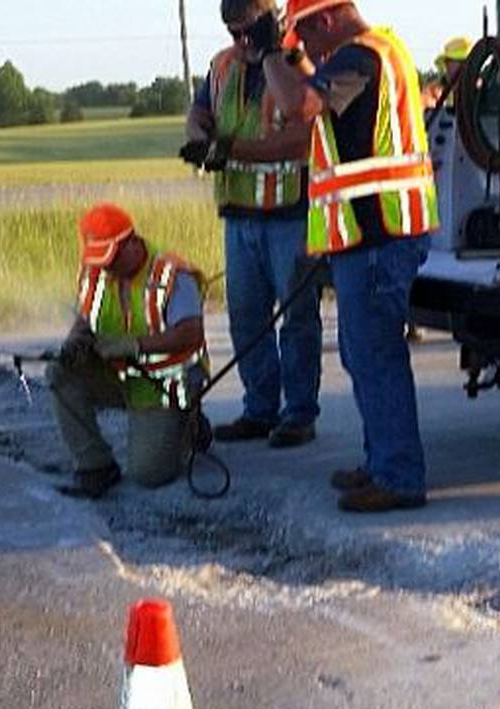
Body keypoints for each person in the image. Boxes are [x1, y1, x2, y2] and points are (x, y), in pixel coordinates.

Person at [263, 0, 438, 513]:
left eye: (306, 42)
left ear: (325, 21)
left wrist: (274, 52)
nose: (308, 55)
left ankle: (399, 476)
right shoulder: (373, 54)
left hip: (381, 237)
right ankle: (382, 461)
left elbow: (299, 108)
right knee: (364, 356)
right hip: (370, 236)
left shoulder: (358, 58)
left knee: (376, 357)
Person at [183, 0, 323, 450]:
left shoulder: (298, 62)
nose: (241, 42)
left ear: (271, 21)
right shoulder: (222, 65)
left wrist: (229, 150)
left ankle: (299, 414)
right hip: (238, 215)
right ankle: (260, 409)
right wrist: (199, 135)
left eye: (249, 31)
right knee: (246, 319)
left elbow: (301, 137)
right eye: (233, 33)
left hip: (289, 213)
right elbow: (199, 111)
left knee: (297, 318)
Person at [47, 203, 210, 499]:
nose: (106, 267)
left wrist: (135, 345)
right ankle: (95, 466)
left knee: (148, 476)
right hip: (121, 376)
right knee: (60, 373)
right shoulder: (95, 273)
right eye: (100, 260)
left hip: (166, 386)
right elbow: (87, 316)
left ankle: (190, 424)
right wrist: (75, 342)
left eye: (111, 258)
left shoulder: (172, 274)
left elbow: (191, 334)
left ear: (132, 243)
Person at [423, 36, 472, 111]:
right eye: (446, 62)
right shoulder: (433, 94)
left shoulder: (481, 97)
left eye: (449, 61)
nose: (446, 67)